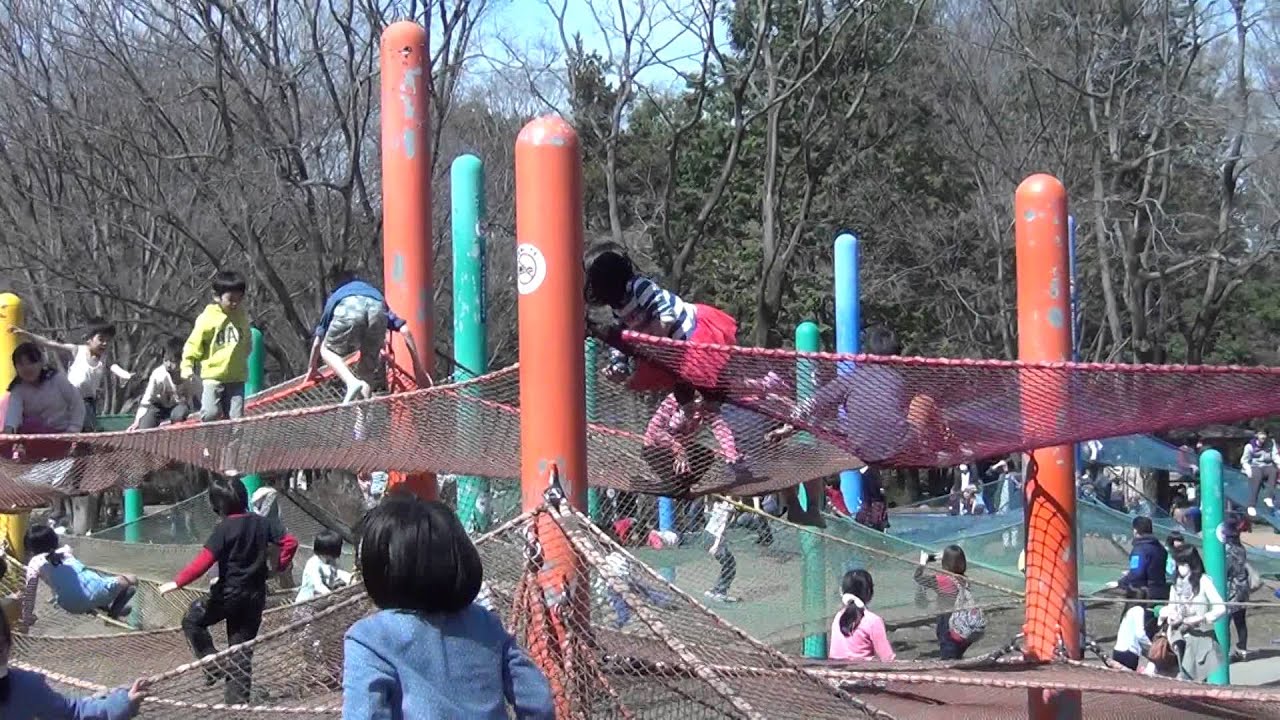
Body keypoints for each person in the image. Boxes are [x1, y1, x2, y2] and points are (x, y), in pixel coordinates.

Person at [342, 495, 554, 719]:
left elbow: (364, 713)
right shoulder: (484, 623)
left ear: (379, 568)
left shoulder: (370, 638)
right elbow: (538, 701)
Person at [158, 476, 299, 703]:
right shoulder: (262, 523)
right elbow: (290, 542)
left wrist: (177, 582)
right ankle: (236, 705)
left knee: (192, 620)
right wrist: (280, 565)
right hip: (255, 597)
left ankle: (214, 663)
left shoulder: (224, 528)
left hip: (228, 595)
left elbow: (204, 560)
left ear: (217, 505)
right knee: (241, 649)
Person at [585, 249, 740, 439]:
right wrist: (618, 363)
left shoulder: (639, 287)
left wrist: (650, 340)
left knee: (701, 381)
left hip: (689, 333)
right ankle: (688, 410)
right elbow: (622, 333)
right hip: (668, 350)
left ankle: (715, 398)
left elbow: (667, 316)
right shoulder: (617, 306)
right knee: (678, 381)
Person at [766, 326, 969, 466]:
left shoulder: (851, 379)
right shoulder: (898, 380)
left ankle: (944, 449)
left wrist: (788, 427)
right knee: (924, 402)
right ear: (896, 356)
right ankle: (950, 449)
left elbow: (813, 404)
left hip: (862, 449)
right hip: (899, 447)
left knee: (861, 429)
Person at [0, 607, 150, 720]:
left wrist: (123, 702)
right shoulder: (26, 687)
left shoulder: (26, 687)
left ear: (8, 646)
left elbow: (73, 712)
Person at [306, 266, 428, 402]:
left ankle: (351, 381)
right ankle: (361, 422)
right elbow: (405, 330)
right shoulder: (374, 294)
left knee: (326, 349)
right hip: (377, 309)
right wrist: (418, 367)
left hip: (348, 307)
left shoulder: (337, 295)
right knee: (367, 371)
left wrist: (312, 368)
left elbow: (318, 340)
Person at [13, 319, 133, 432]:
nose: (104, 343)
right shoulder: (77, 350)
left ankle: (83, 446)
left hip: (88, 401)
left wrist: (125, 375)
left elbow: (114, 367)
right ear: (88, 339)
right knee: (68, 425)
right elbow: (50, 344)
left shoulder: (104, 359)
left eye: (108, 340)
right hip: (69, 397)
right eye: (101, 339)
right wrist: (27, 334)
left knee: (87, 428)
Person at [17, 525, 136, 630]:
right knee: (132, 579)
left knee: (84, 588)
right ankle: (113, 611)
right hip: (98, 591)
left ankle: (107, 608)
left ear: (30, 549)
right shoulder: (66, 550)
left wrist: (27, 617)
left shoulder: (35, 563)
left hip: (70, 604)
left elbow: (30, 593)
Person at [640, 391, 746, 496]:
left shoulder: (705, 404)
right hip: (657, 449)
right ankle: (653, 485)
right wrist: (677, 448)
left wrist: (731, 454)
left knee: (707, 454)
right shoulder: (674, 399)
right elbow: (655, 430)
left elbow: (720, 427)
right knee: (675, 489)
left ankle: (686, 487)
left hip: (684, 451)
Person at [181, 271, 251, 422]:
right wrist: (187, 365)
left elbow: (247, 340)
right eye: (230, 299)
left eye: (239, 299)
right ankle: (210, 444)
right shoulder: (207, 318)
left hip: (236, 378)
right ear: (216, 296)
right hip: (213, 377)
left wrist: (244, 356)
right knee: (211, 413)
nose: (235, 303)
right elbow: (193, 344)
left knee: (236, 419)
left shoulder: (242, 316)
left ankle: (232, 446)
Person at [648, 496, 740, 603]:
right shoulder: (727, 506)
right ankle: (719, 592)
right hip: (714, 540)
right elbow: (730, 510)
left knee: (687, 538)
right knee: (730, 564)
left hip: (707, 534)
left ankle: (664, 537)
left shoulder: (714, 505)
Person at [1160, 546, 1226, 682]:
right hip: (1178, 638)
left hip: (1200, 638)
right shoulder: (1175, 584)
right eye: (1178, 564)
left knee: (1195, 681)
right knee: (1178, 680)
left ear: (1192, 563)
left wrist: (1203, 618)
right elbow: (1172, 606)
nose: (1180, 568)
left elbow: (1221, 608)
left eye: (1183, 564)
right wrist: (1171, 616)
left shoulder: (1203, 581)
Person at [912, 545, 984, 660]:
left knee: (948, 653)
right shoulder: (964, 579)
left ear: (945, 562)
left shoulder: (942, 580)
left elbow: (918, 578)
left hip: (947, 620)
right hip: (964, 620)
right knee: (957, 650)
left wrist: (923, 563)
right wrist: (942, 558)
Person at [2, 342, 85, 438]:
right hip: (36, 438)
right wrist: (9, 430)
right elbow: (13, 414)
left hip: (64, 434)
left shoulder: (57, 379)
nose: (27, 368)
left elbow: (77, 403)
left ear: (41, 363)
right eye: (21, 364)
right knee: (30, 424)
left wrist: (73, 430)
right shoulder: (17, 389)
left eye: (31, 362)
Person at [828, 569, 895, 662]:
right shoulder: (873, 621)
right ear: (869, 593)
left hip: (833, 672)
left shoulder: (838, 617)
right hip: (861, 673)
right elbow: (887, 658)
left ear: (841, 591)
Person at [129, 338, 190, 430]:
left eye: (173, 361)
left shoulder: (189, 376)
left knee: (179, 415)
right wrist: (137, 421)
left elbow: (200, 399)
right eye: (166, 360)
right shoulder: (158, 375)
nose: (168, 365)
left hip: (179, 407)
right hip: (159, 407)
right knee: (145, 425)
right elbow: (146, 400)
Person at [1115, 516, 1170, 601]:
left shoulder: (1139, 550)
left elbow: (1136, 574)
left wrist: (1120, 583)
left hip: (1145, 594)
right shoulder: (1160, 548)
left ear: (1135, 530)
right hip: (1161, 590)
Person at [295, 530, 353, 604]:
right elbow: (318, 585)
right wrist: (332, 595)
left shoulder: (331, 561)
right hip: (306, 602)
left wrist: (351, 578)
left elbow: (338, 573)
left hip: (321, 601)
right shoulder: (313, 563)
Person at [1224, 518, 1252, 661]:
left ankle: (1225, 650)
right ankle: (1242, 649)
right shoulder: (1241, 548)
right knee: (1240, 620)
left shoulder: (1229, 551)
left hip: (1233, 589)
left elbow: (1227, 570)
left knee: (1226, 620)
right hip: (1243, 588)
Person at [1111, 586, 1154, 671]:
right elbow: (1140, 634)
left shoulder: (1128, 611)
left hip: (1118, 651)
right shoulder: (1138, 610)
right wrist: (1151, 645)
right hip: (1128, 653)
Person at [1240, 429, 1279, 518]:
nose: (1263, 438)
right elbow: (1244, 461)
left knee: (1273, 470)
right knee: (1257, 476)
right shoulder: (1249, 446)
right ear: (1257, 436)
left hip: (1267, 466)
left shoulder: (1270, 444)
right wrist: (1248, 469)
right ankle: (1251, 505)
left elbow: (1275, 456)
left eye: (1264, 435)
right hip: (1254, 466)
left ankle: (1268, 497)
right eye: (1261, 435)